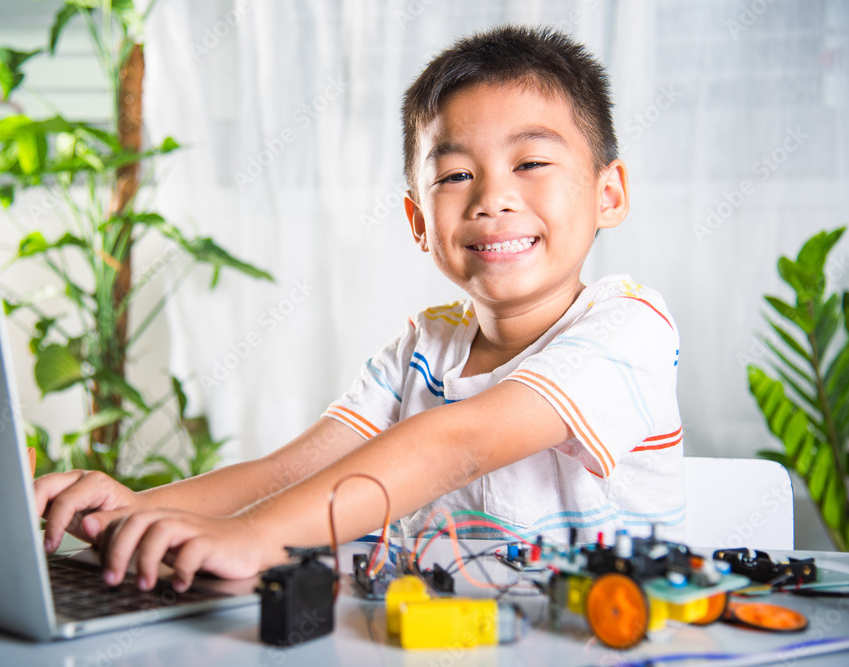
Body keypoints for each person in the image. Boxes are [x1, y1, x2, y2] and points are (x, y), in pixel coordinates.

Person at [34, 25, 684, 594]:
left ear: (610, 194)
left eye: (531, 162)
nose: (493, 198)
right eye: (456, 175)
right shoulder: (420, 348)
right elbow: (291, 470)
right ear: (418, 220)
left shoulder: (630, 327)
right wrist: (136, 508)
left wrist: (255, 539)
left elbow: (459, 443)